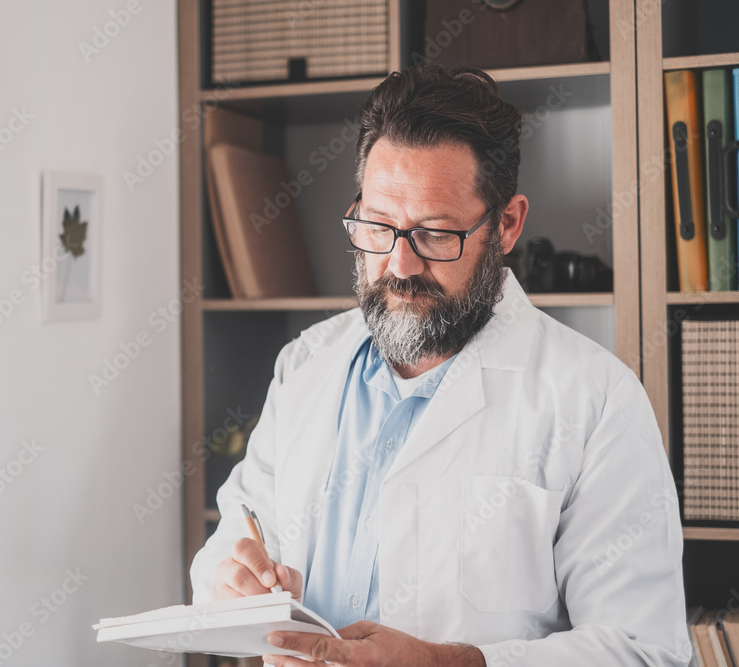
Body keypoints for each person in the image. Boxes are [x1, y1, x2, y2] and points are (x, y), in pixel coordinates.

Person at [189, 66, 691, 667]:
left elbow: (644, 650)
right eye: (377, 226)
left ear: (506, 225)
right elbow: (238, 533)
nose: (399, 264)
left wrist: (446, 664)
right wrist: (229, 581)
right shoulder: (304, 366)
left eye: (434, 233)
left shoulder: (597, 400)